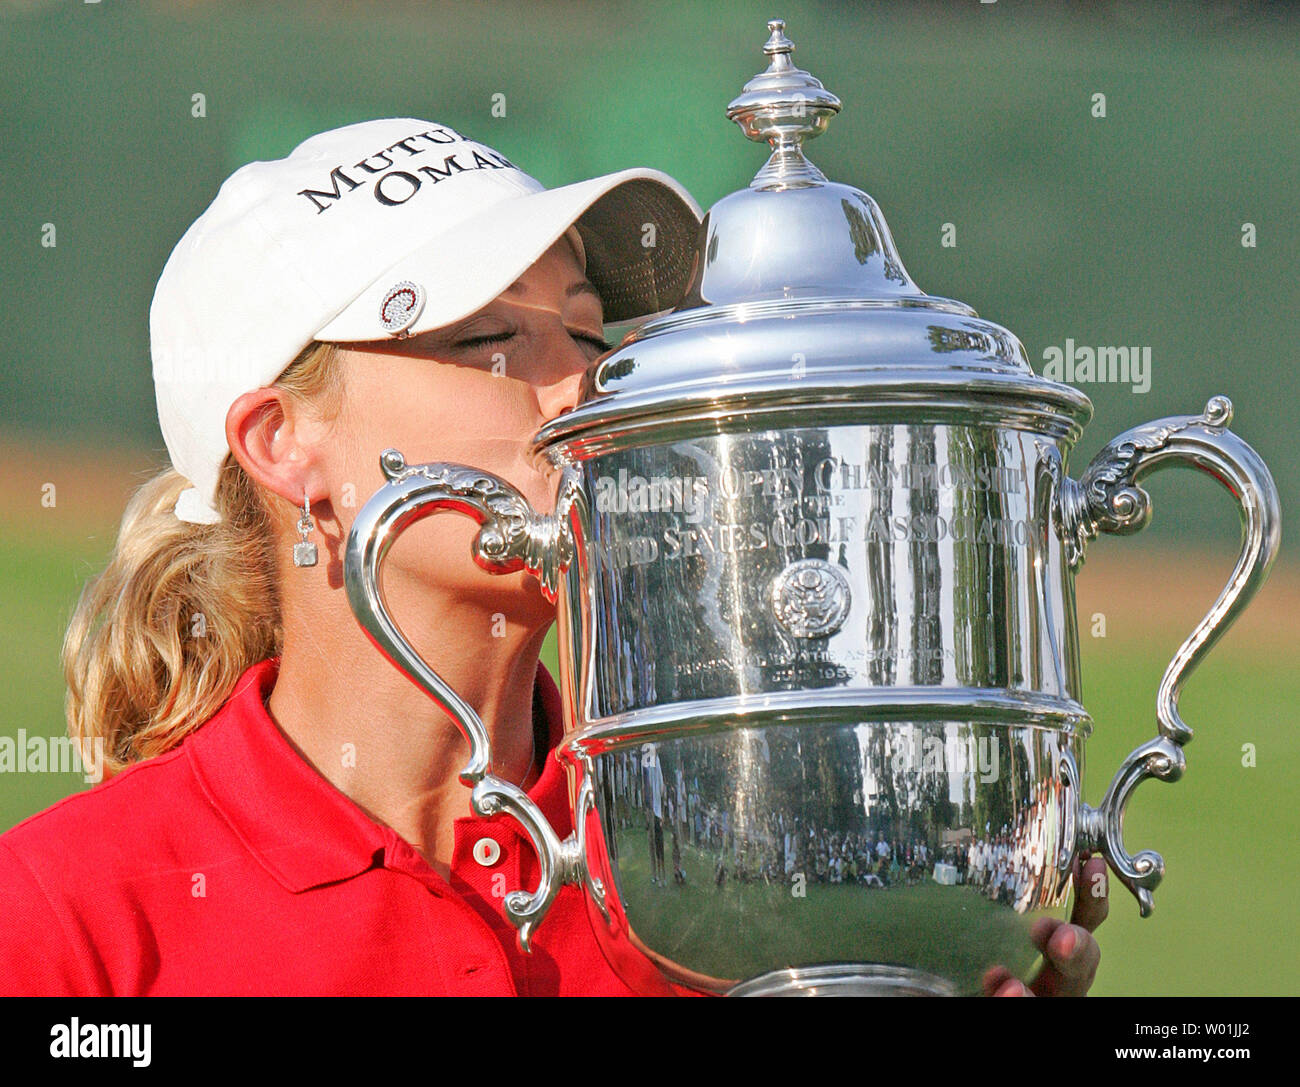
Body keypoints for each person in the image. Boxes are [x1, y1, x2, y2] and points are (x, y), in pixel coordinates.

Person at [0, 116, 1105, 998]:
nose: (581, 389)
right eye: (488, 341)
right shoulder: (62, 914)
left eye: (587, 334)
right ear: (283, 445)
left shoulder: (748, 857)